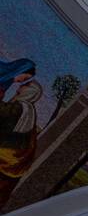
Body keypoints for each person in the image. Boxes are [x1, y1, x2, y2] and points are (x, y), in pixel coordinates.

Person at [0, 78, 43, 208]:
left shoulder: (20, 107)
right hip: (12, 161)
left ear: (30, 91)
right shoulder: (28, 109)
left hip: (6, 157)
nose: (20, 86)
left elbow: (2, 113)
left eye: (25, 85)